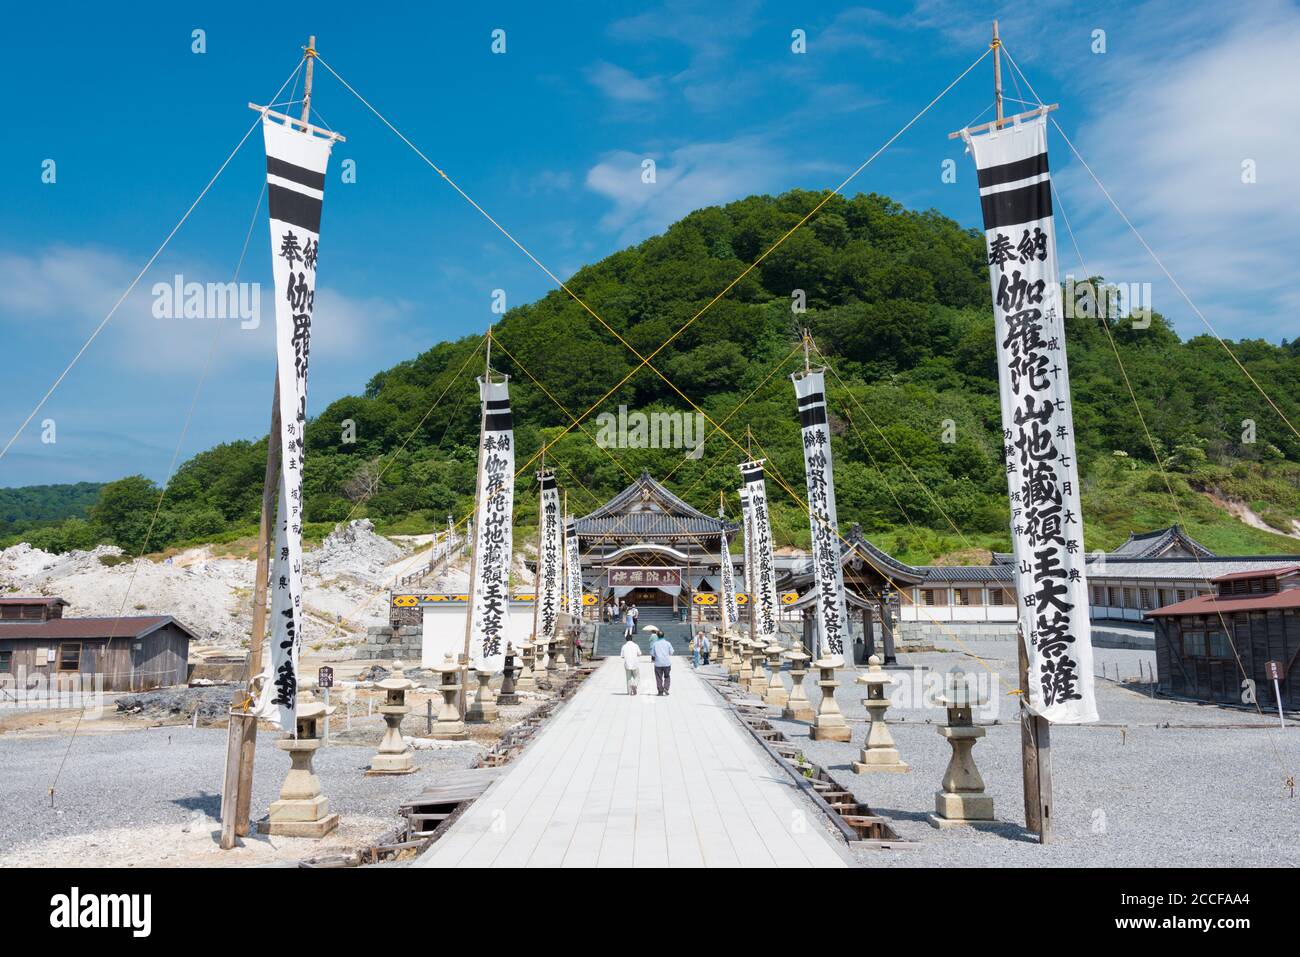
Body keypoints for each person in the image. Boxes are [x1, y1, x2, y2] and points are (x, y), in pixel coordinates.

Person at [646, 625, 674, 696]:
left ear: (657, 636)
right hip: (666, 662)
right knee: (667, 676)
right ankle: (666, 688)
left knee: (658, 677)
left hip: (658, 663)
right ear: (664, 636)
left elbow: (652, 653)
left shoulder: (655, 644)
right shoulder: (668, 643)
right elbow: (671, 652)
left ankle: (660, 691)